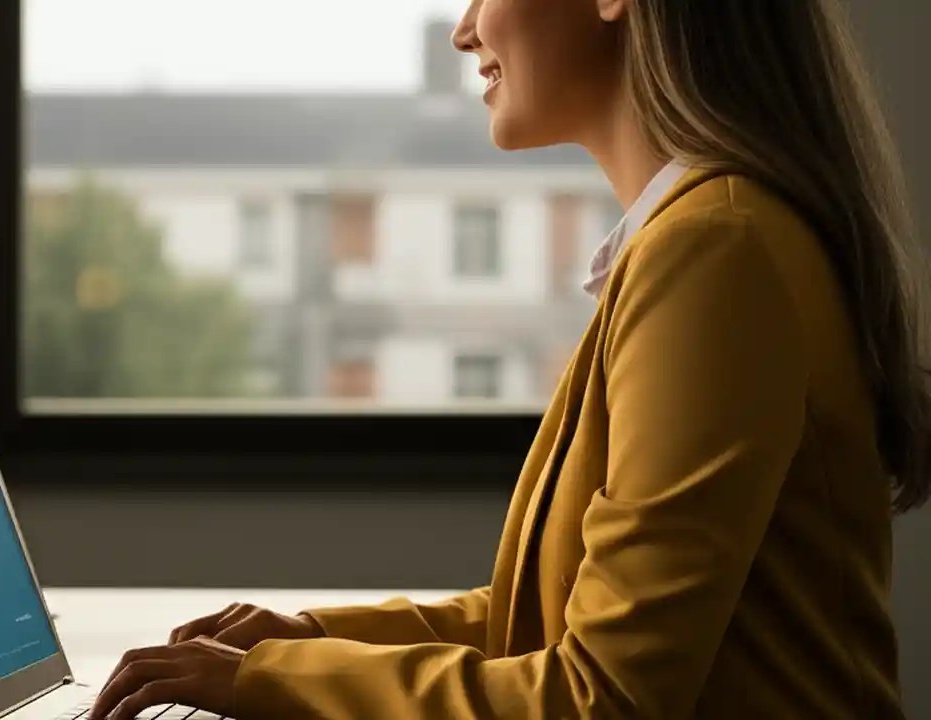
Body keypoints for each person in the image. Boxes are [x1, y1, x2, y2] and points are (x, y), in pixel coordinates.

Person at [92, 0, 930, 717]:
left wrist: (269, 682)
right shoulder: (699, 238)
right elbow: (553, 622)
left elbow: (594, 695)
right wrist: (308, 638)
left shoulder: (717, 249)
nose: (464, 30)